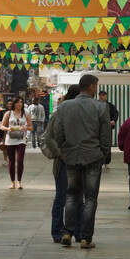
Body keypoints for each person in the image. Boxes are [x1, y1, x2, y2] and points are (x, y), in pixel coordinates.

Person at [49, 74, 111, 249]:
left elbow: (58, 132)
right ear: (91, 87)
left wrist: (63, 149)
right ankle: (85, 237)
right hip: (92, 156)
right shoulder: (100, 107)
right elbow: (106, 135)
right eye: (96, 86)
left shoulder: (64, 107)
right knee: (90, 198)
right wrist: (103, 152)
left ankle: (67, 232)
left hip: (71, 156)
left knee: (71, 195)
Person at [49, 86, 80, 243]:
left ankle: (63, 232)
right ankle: (64, 231)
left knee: (65, 197)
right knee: (69, 197)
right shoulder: (60, 113)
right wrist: (60, 153)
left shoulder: (76, 113)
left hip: (73, 160)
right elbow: (47, 137)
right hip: (67, 162)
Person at [1, 95, 31, 189]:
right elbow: (2, 126)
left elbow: (31, 126)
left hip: (21, 139)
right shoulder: (8, 114)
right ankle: (12, 182)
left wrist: (25, 127)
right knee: (11, 161)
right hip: (10, 140)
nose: (20, 104)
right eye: (18, 102)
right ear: (14, 104)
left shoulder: (26, 113)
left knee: (20, 160)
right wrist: (9, 128)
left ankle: (19, 181)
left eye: (21, 102)